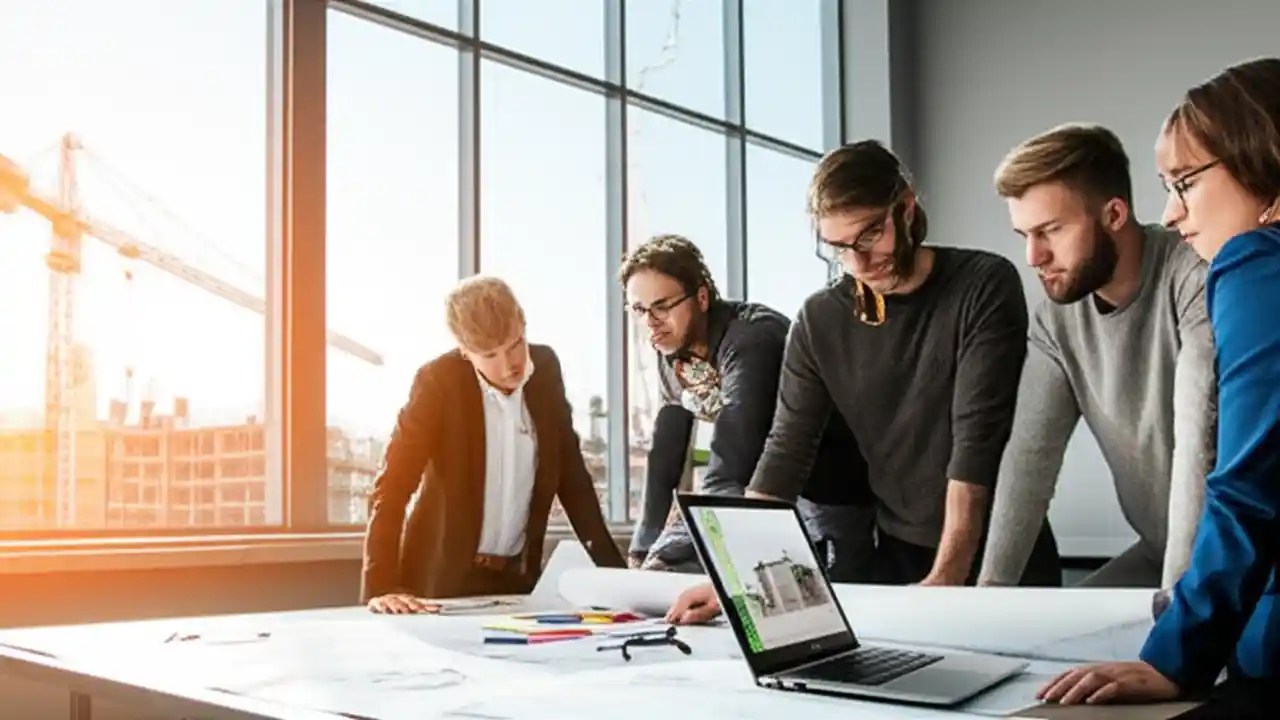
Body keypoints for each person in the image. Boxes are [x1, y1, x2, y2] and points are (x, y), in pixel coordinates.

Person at [668, 139, 1058, 624]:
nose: (860, 263)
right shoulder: (820, 319)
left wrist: (949, 579)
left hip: (1003, 551)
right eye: (838, 248)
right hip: (897, 553)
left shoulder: (982, 283)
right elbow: (787, 450)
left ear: (907, 208)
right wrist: (732, 579)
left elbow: (975, 444)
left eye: (870, 235)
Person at [1040, 57, 1280, 708]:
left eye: (1186, 183)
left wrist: (1177, 657)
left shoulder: (1255, 260)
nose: (1172, 214)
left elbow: (1251, 482)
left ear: (1267, 171)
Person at [979, 123, 1217, 591]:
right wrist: (990, 598)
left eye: (1050, 230)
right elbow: (1029, 460)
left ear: (1113, 214)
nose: (1033, 255)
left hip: (1231, 563)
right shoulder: (1054, 319)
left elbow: (1197, 443)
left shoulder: (1195, 275)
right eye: (1024, 234)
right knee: (1048, 637)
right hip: (1156, 551)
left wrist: (1176, 625)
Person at [361, 276, 625, 612]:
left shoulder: (545, 370)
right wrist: (381, 588)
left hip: (518, 583)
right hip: (438, 586)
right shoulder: (437, 382)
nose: (509, 365)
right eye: (490, 355)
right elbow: (392, 486)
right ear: (465, 352)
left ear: (523, 324)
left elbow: (573, 480)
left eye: (515, 344)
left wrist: (618, 579)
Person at [620, 234, 875, 581]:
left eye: (661, 306)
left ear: (703, 297)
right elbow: (667, 447)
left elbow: (733, 455)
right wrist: (643, 548)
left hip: (835, 494)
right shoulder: (671, 348)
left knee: (842, 610)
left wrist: (671, 553)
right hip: (764, 492)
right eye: (639, 310)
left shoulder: (753, 338)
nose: (650, 322)